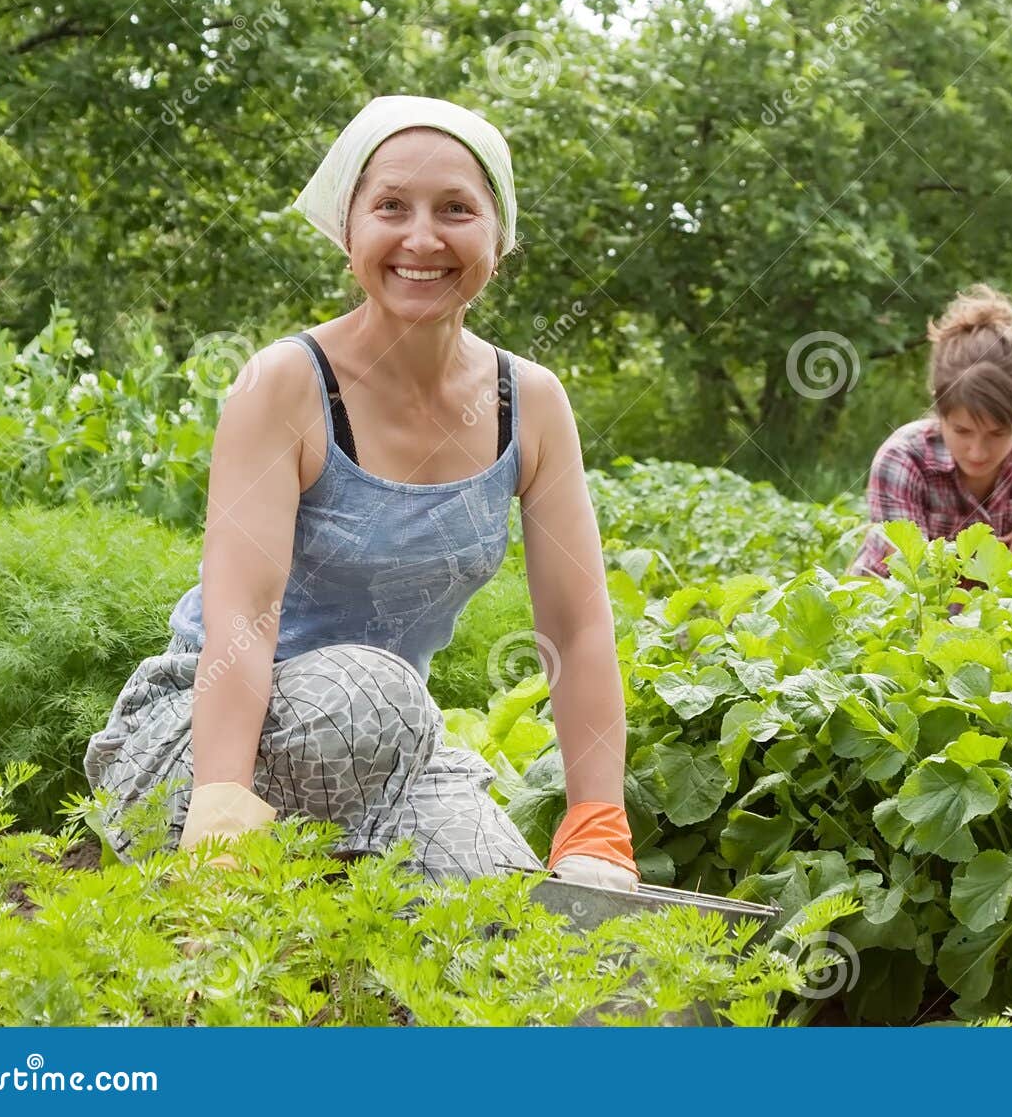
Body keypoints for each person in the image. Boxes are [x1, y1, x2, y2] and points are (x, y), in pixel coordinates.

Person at [84, 95, 637, 891]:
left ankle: (338, 882)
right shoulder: (286, 384)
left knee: (518, 925)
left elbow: (578, 624)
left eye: (456, 208)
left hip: (384, 749)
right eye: (390, 206)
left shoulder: (531, 402)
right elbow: (243, 613)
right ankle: (264, 858)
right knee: (378, 692)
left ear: (498, 236)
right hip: (196, 748)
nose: (422, 237)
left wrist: (596, 820)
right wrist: (220, 805)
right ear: (348, 232)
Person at [849, 284, 1012, 583]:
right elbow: (909, 573)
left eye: (997, 433)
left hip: (1002, 612)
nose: (978, 451)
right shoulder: (903, 457)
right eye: (962, 431)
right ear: (940, 409)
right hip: (908, 607)